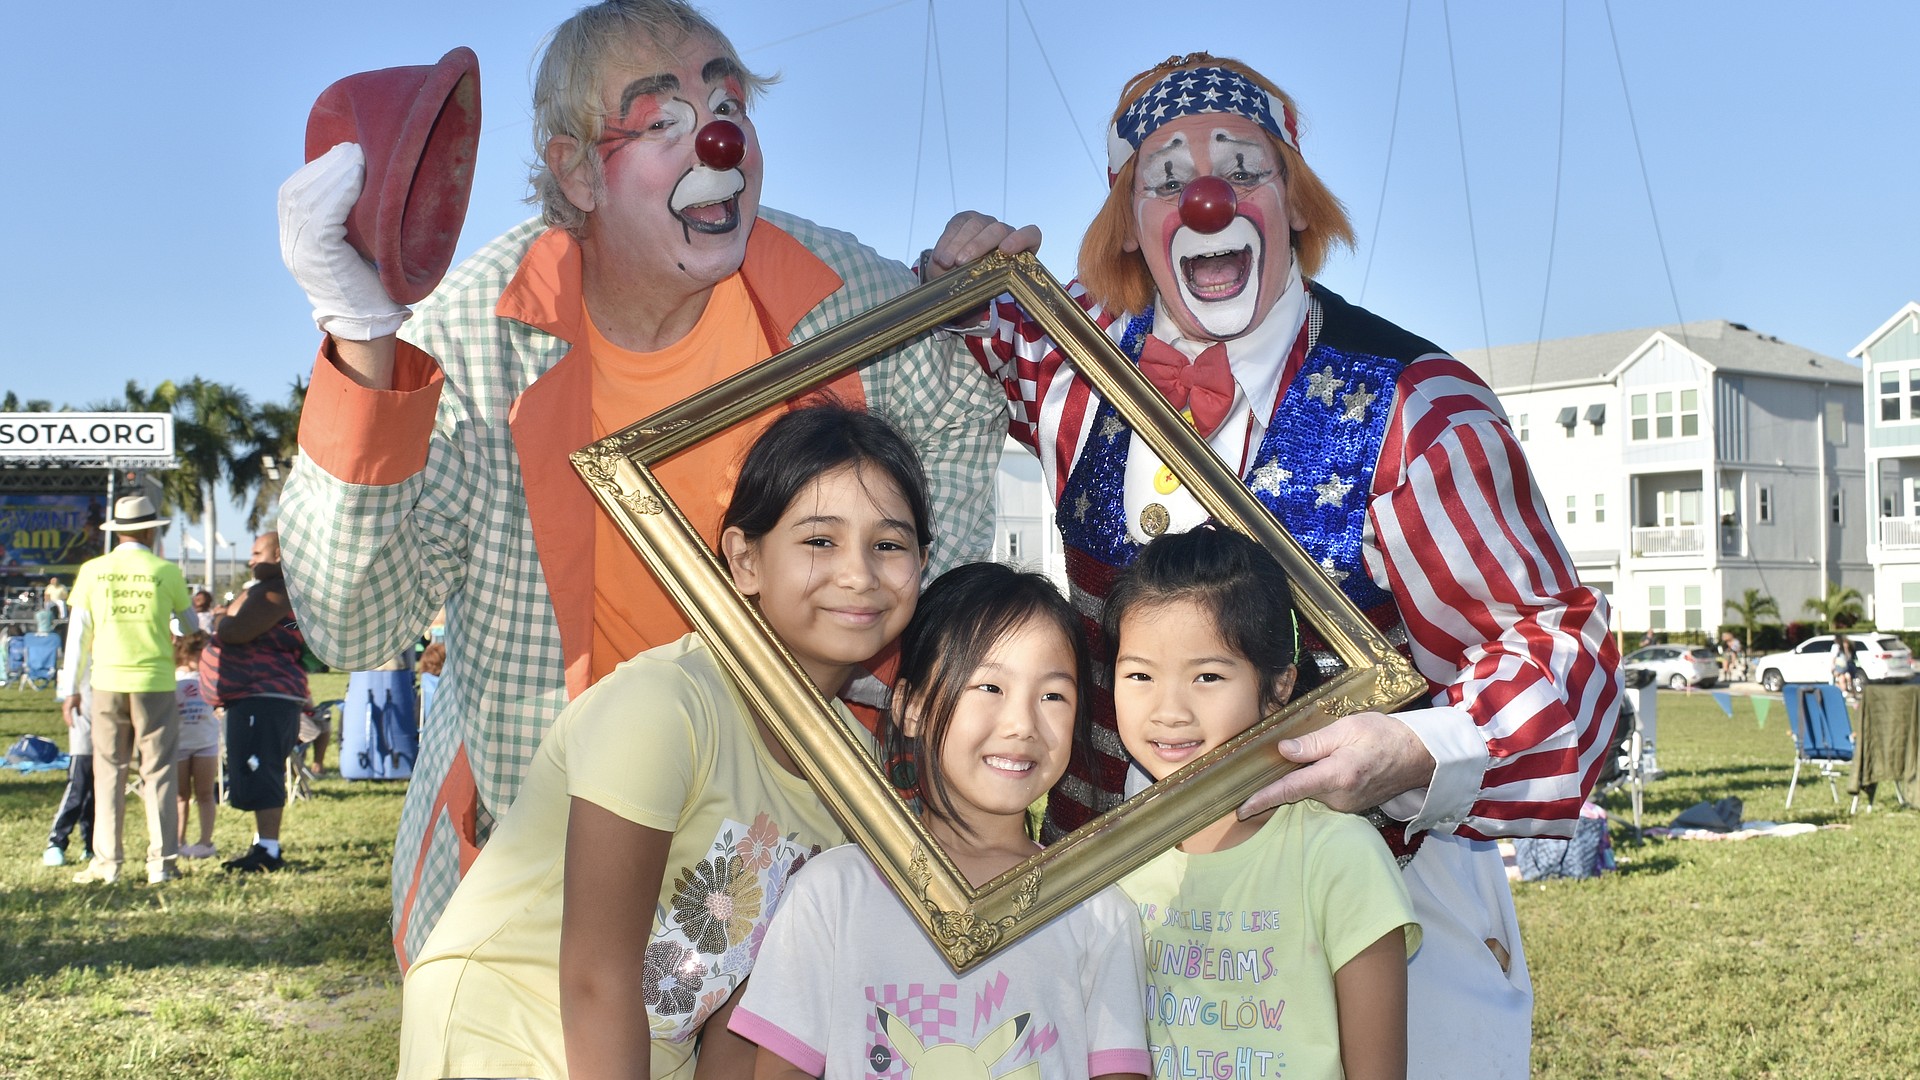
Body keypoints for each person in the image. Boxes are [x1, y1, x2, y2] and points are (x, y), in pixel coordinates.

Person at [928, 53, 1619, 1076]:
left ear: (1293, 204)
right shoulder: (1069, 357)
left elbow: (1564, 650)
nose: (1207, 195)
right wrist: (951, 273)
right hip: (1115, 907)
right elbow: (938, 340)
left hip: (1367, 912)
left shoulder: (1417, 409)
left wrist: (1418, 749)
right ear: (1128, 224)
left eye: (1243, 168)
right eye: (1167, 178)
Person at [274, 0, 1008, 963]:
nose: (718, 138)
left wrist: (891, 634)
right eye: (659, 120)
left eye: (730, 106)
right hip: (542, 880)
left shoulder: (833, 293)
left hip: (781, 886)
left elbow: (958, 411)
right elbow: (352, 623)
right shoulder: (478, 337)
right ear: (576, 169)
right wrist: (364, 344)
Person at [398, 405, 935, 1080]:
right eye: (820, 541)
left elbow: (748, 1004)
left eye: (889, 545)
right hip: (506, 1036)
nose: (858, 574)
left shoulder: (854, 775)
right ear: (744, 560)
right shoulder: (664, 706)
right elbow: (596, 976)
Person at [732, 562, 1151, 1080]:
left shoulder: (1099, 913)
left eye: (1053, 696)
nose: (1022, 724)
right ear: (909, 707)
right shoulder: (831, 894)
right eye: (990, 688)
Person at [1107, 526, 1418, 1078]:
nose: (1168, 710)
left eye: (1206, 676)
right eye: (1139, 676)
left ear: (1278, 687)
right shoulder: (1106, 864)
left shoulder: (1339, 856)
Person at [57, 494, 195, 885]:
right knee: (160, 772)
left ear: (117, 531)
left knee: (109, 772)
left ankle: (108, 863)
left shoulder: (92, 571)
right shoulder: (165, 571)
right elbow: (188, 625)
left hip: (106, 683)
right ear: (151, 530)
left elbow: (78, 635)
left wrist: (70, 690)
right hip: (155, 682)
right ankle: (162, 864)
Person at [199, 533, 311, 873]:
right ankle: (263, 845)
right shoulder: (275, 592)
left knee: (262, 769)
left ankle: (269, 850)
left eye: (257, 552)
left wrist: (220, 618)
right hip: (257, 695)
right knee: (258, 769)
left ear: (278, 554)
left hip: (264, 695)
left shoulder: (277, 593)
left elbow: (236, 632)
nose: (251, 560)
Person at [173, 631, 221, 860]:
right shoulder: (174, 679)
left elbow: (220, 704)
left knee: (205, 794)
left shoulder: (211, 677)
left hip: (206, 743)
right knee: (180, 795)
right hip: (179, 744)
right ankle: (178, 841)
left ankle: (205, 842)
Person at [42, 684, 95, 868]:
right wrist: (71, 693)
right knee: (78, 786)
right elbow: (74, 659)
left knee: (98, 790)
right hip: (85, 710)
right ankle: (57, 841)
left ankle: (92, 845)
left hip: (113, 709)